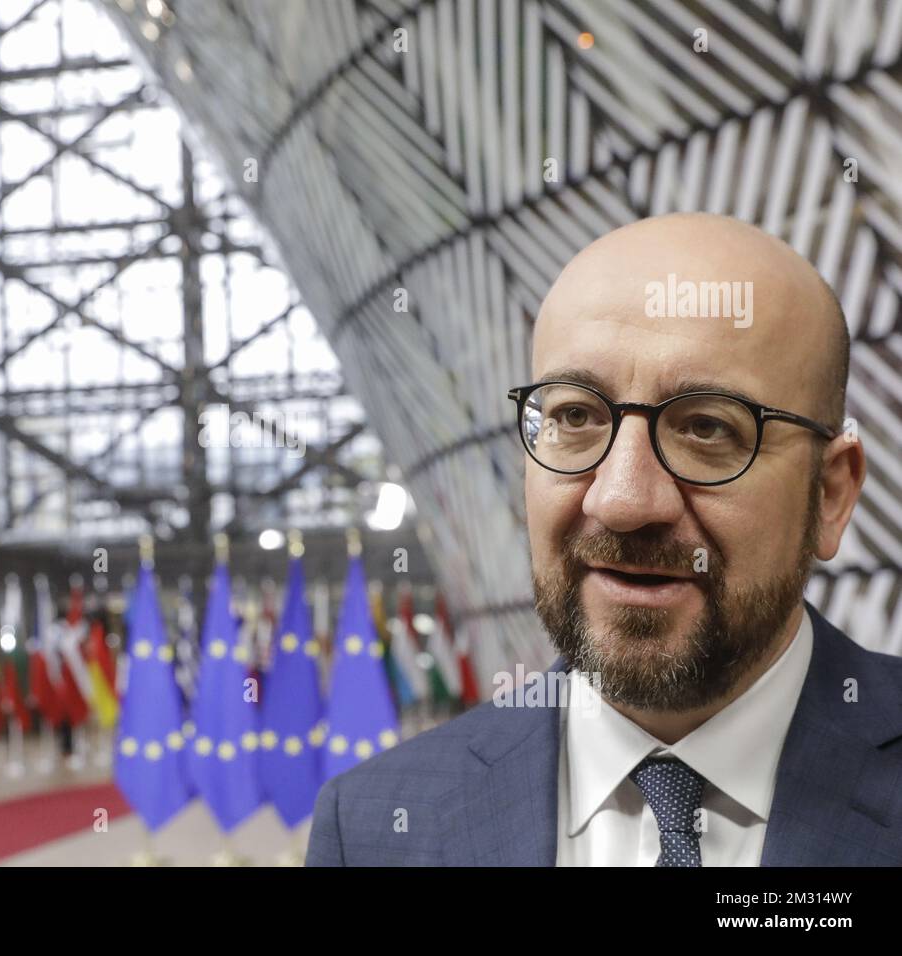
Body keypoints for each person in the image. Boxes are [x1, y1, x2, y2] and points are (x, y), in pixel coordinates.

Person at [307, 213, 902, 866]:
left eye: (706, 427)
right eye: (576, 416)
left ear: (831, 494)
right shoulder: (374, 830)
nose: (620, 501)